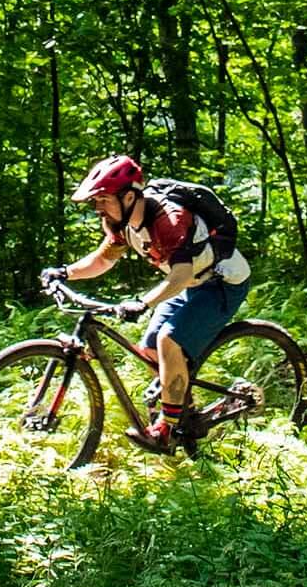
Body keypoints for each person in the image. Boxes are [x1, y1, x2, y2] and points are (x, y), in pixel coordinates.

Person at [43, 154, 250, 452]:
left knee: (169, 341)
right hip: (191, 282)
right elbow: (103, 260)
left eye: (103, 200)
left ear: (129, 196)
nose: (98, 209)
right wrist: (64, 272)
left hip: (222, 282)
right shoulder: (121, 222)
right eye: (96, 202)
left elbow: (179, 275)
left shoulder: (171, 220)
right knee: (151, 348)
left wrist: (142, 302)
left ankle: (167, 430)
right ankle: (185, 414)